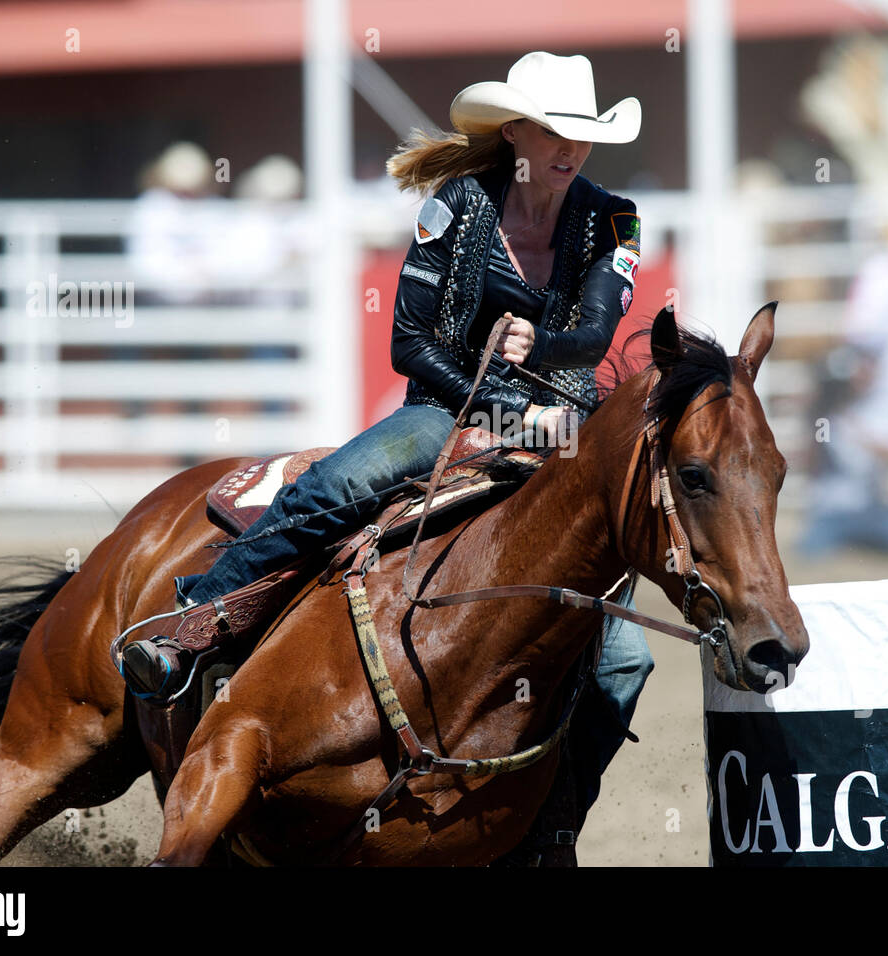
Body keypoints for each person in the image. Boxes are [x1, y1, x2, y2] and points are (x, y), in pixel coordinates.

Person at [118, 52, 654, 861]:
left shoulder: (616, 219)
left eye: (581, 134)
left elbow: (595, 329)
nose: (568, 149)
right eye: (552, 131)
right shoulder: (457, 206)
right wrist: (502, 404)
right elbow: (411, 343)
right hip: (447, 410)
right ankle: (198, 620)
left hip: (563, 427)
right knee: (341, 484)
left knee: (622, 659)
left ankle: (551, 820)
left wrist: (540, 346)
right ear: (514, 132)